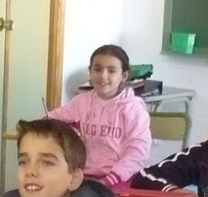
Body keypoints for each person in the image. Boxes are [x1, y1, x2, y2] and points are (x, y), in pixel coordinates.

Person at [46, 43, 153, 188]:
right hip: (83, 176)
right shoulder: (82, 101)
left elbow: (138, 152)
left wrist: (111, 179)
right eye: (97, 69)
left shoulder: (132, 108)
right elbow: (52, 118)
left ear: (124, 76)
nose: (103, 76)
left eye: (111, 71)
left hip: (119, 179)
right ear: (90, 72)